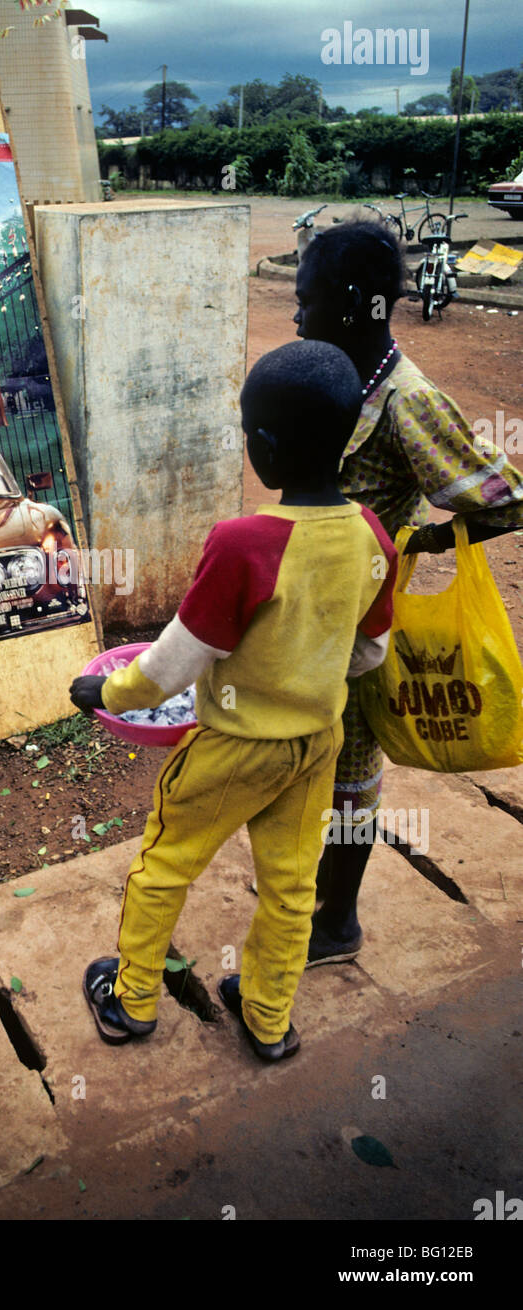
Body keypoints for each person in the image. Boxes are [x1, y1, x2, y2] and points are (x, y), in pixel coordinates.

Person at [70, 340, 398, 1061]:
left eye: (248, 431)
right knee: (288, 886)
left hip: (231, 750)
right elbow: (367, 652)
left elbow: (170, 666)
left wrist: (108, 692)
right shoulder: (370, 534)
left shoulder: (244, 543)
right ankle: (267, 1018)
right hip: (316, 744)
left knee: (163, 865)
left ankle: (130, 1004)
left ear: (267, 446)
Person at [293, 220, 523, 967]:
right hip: (316, 617)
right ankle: (314, 889)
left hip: (363, 627)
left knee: (352, 775)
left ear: (356, 304)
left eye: (307, 301)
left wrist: (416, 543)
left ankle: (338, 922)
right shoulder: (341, 376)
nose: (296, 316)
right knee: (319, 759)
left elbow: (504, 498)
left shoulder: (406, 401)